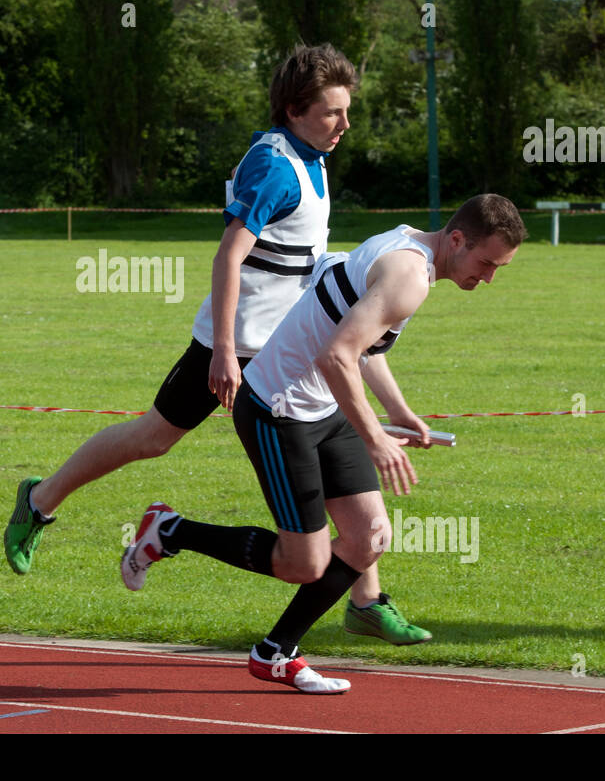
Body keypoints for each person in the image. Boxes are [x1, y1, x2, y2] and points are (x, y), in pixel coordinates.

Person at [6, 43, 430, 645]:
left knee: (340, 461)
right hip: (242, 341)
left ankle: (365, 597)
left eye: (346, 110)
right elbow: (230, 254)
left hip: (292, 345)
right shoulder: (277, 166)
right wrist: (226, 349)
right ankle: (40, 500)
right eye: (332, 112)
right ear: (293, 110)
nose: (344, 124)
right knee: (154, 437)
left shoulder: (312, 155)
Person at [119, 195, 526, 693]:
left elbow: (359, 343)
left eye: (500, 269)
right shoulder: (411, 279)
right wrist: (376, 438)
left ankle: (275, 651)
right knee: (304, 563)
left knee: (369, 536)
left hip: (325, 409)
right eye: (486, 263)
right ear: (457, 239)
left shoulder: (402, 242)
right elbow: (338, 357)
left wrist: (397, 412)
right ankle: (170, 530)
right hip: (278, 410)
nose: (487, 279)